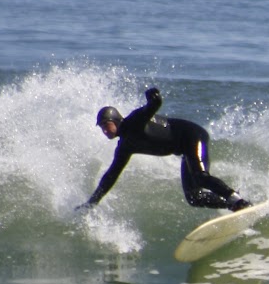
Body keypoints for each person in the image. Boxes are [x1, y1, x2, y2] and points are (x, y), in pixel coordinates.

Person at [81, 87, 252, 212]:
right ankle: (233, 205)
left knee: (200, 177)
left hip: (193, 135)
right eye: (101, 127)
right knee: (194, 198)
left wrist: (153, 96)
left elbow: (153, 105)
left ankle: (237, 200)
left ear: (116, 120)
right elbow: (110, 177)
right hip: (184, 149)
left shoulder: (134, 121)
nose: (104, 130)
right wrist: (92, 202)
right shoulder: (124, 147)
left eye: (106, 124)